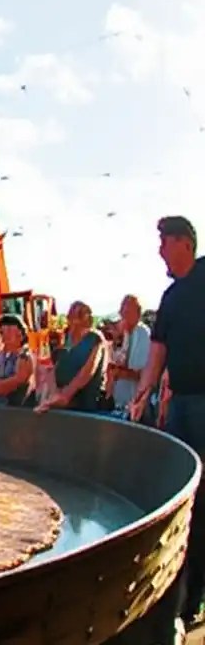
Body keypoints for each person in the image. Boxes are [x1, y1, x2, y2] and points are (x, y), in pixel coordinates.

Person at [129, 216, 205, 634]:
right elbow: (156, 356)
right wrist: (143, 395)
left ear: (184, 243)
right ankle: (186, 593)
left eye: (164, 241)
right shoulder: (170, 297)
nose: (159, 249)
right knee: (187, 495)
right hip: (184, 407)